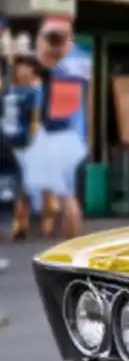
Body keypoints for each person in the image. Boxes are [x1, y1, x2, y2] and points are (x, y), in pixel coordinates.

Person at [23, 16, 91, 238]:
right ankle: (69, 241)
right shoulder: (79, 61)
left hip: (61, 137)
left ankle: (75, 244)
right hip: (70, 136)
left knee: (66, 196)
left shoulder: (63, 66)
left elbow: (58, 111)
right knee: (64, 195)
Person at [2, 56, 41, 240]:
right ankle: (13, 223)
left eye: (26, 68)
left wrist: (34, 141)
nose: (22, 71)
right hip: (6, 142)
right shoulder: (9, 90)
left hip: (24, 143)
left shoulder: (34, 92)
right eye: (19, 68)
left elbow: (35, 118)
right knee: (10, 184)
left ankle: (21, 223)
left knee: (23, 186)